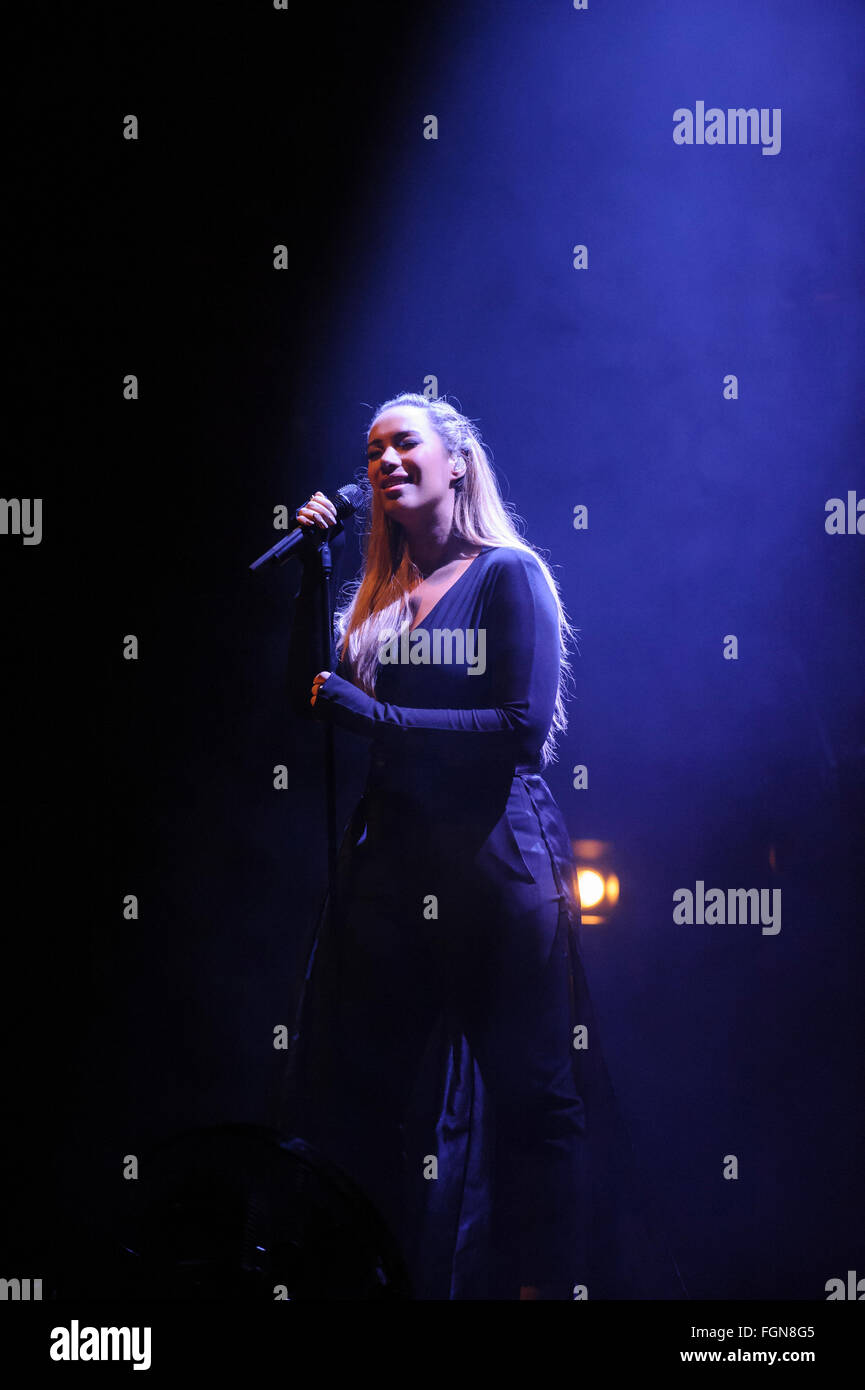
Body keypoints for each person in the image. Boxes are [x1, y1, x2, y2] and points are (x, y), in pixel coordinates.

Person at [277, 392, 683, 1301]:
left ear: (455, 461)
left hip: (495, 864)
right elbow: (301, 703)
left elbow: (519, 728)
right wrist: (315, 569)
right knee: (368, 1098)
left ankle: (540, 1290)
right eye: (371, 449)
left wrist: (378, 715)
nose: (381, 460)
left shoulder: (509, 574)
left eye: (402, 443)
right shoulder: (374, 600)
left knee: (531, 1101)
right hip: (392, 873)